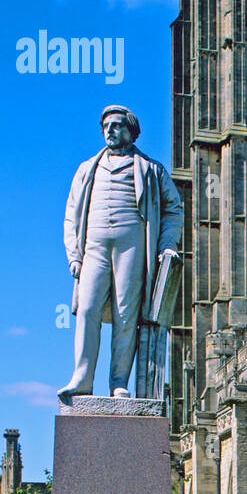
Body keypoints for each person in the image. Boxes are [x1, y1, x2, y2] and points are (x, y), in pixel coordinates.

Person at [59, 106, 183, 401]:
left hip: (132, 245)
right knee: (87, 309)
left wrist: (167, 244)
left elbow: (174, 209)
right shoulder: (87, 169)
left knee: (125, 314)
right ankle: (82, 378)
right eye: (106, 126)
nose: (110, 131)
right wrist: (74, 255)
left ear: (131, 131)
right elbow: (70, 215)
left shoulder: (151, 170)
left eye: (116, 126)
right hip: (95, 246)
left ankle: (118, 382)